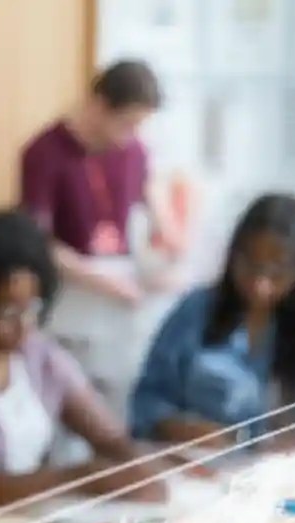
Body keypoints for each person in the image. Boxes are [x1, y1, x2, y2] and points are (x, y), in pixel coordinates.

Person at [0, 211, 172, 509]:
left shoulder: (38, 356)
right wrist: (76, 480)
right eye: (6, 312)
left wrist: (136, 467)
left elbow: (110, 438)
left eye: (31, 308)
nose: (23, 324)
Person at [131, 195, 295, 447]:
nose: (260, 285)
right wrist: (177, 427)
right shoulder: (195, 311)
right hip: (201, 469)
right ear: (232, 256)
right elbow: (145, 399)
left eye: (277, 272)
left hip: (292, 474)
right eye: (249, 265)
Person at [19, 59, 185, 420]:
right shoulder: (44, 153)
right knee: (67, 406)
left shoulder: (134, 151)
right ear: (97, 104)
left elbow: (154, 201)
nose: (130, 134)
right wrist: (106, 284)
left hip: (121, 298)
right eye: (126, 123)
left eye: (139, 125)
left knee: (119, 407)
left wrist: (169, 240)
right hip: (72, 293)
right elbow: (38, 244)